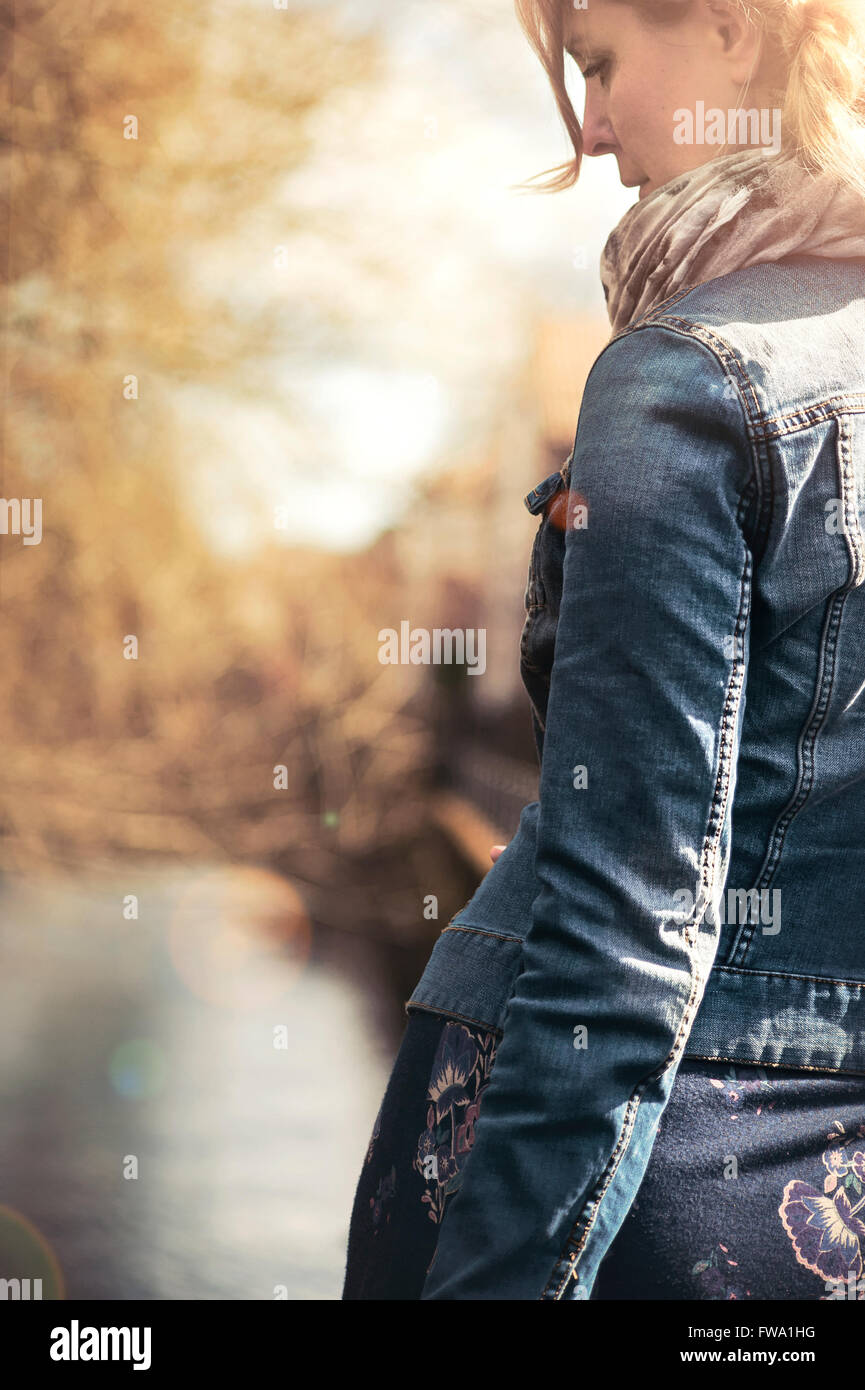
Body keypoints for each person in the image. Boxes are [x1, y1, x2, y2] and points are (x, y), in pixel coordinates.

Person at [342, 0, 865, 1301]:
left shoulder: (679, 376)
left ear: (740, 32)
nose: (588, 130)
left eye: (598, 65)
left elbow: (621, 927)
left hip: (644, 1185)